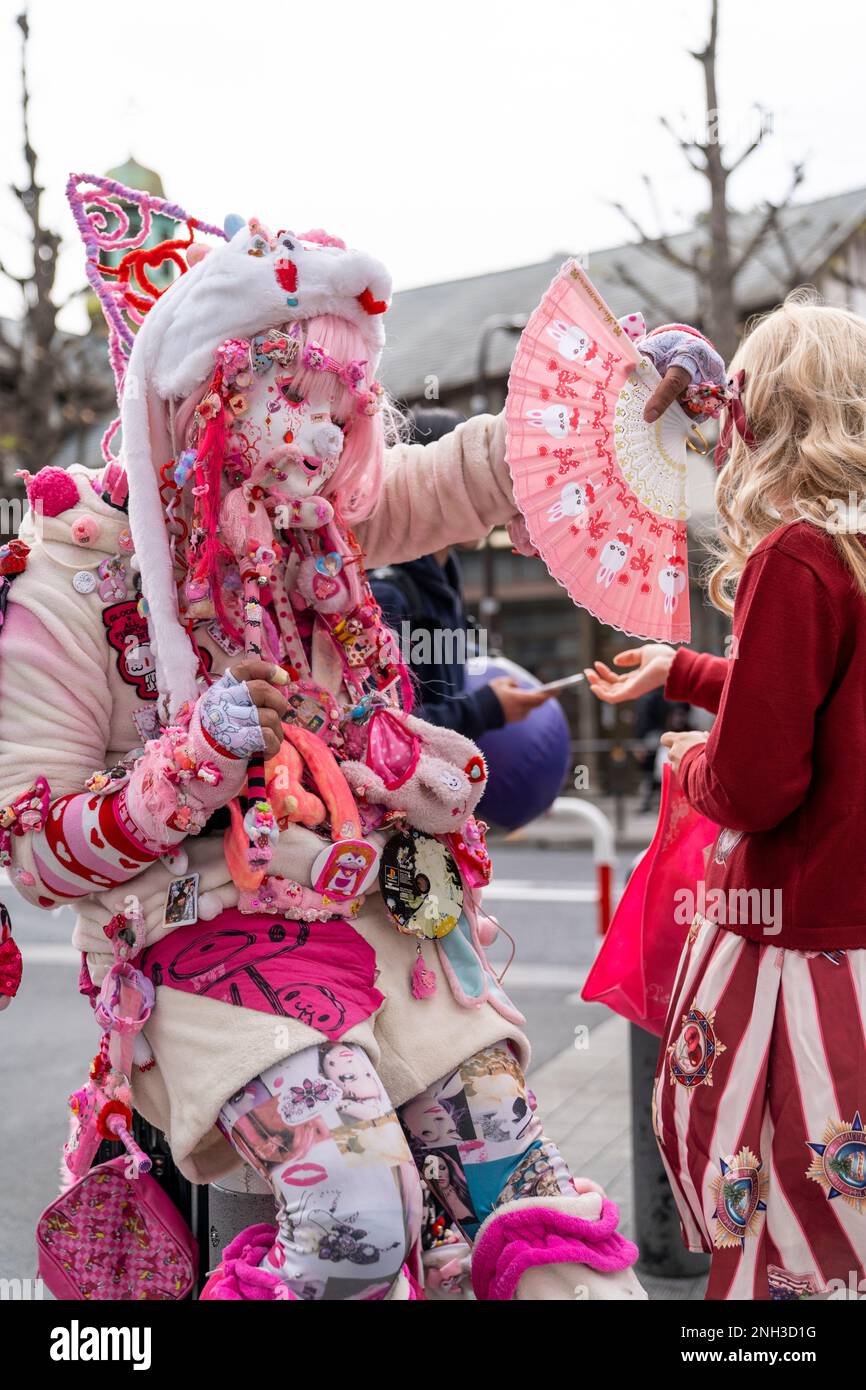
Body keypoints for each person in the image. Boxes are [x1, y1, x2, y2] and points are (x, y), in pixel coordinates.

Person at [0, 175, 705, 1300]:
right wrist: (196, 757)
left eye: (343, 402)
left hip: (388, 918)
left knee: (528, 1197)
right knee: (353, 1225)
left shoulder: (302, 512)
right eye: (295, 393)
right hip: (204, 951)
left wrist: (613, 411)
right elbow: (37, 845)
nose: (325, 435)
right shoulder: (72, 565)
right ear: (201, 393)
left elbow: (457, 475)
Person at [585, 291, 866, 1301]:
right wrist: (689, 672)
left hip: (799, 951)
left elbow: (755, 782)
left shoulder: (795, 552)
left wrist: (685, 765)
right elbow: (834, 714)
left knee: (769, 1245)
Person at [370, 406, 556, 739]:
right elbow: (381, 727)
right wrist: (485, 708)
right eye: (472, 479)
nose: (487, 501)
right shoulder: (386, 595)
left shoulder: (444, 583)